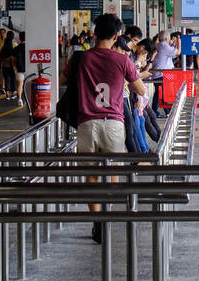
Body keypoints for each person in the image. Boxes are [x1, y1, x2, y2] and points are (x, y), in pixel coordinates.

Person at [62, 13, 147, 243]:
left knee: (91, 175)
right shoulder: (122, 61)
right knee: (112, 175)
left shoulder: (81, 59)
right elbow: (139, 89)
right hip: (113, 124)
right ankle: (107, 216)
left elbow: (63, 79)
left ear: (94, 32)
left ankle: (96, 219)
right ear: (117, 35)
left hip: (86, 124)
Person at [0, 30, 17, 99]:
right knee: (13, 79)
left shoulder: (3, 48)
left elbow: (1, 58)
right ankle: (13, 93)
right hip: (11, 66)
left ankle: (7, 94)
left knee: (7, 79)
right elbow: (14, 57)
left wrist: (1, 66)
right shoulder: (13, 47)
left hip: (4, 66)